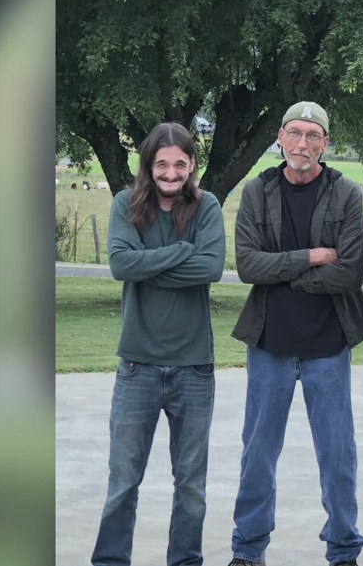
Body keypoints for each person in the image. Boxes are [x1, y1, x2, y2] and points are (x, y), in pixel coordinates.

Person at [227, 101, 363, 566]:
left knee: (337, 457)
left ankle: (344, 549)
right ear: (280, 137)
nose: (303, 144)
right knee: (257, 456)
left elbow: (350, 273)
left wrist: (282, 271)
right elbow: (248, 266)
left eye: (313, 135)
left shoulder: (346, 192)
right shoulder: (256, 191)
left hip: (328, 345)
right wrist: (309, 257)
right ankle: (248, 552)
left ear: (326, 143)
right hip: (269, 343)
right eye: (295, 133)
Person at [92, 122, 226, 566]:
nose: (171, 172)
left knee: (190, 485)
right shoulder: (125, 205)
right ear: (148, 166)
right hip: (137, 368)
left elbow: (210, 268)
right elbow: (120, 265)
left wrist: (148, 265)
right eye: (162, 164)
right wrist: (183, 252)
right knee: (123, 483)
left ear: (191, 166)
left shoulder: (206, 207)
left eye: (180, 164)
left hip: (194, 369)